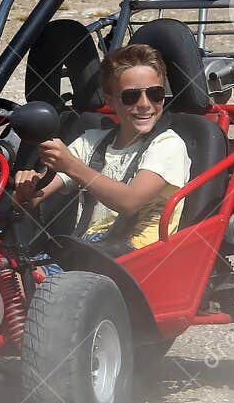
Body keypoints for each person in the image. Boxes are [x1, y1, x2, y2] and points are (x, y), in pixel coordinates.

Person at [20, 44, 192, 256]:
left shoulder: (168, 144)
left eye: (155, 94)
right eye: (131, 97)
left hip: (136, 257)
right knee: (4, 275)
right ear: (110, 101)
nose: (145, 104)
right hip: (89, 249)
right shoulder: (92, 141)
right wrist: (27, 189)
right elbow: (36, 196)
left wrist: (73, 166)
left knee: (27, 281)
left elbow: (129, 202)